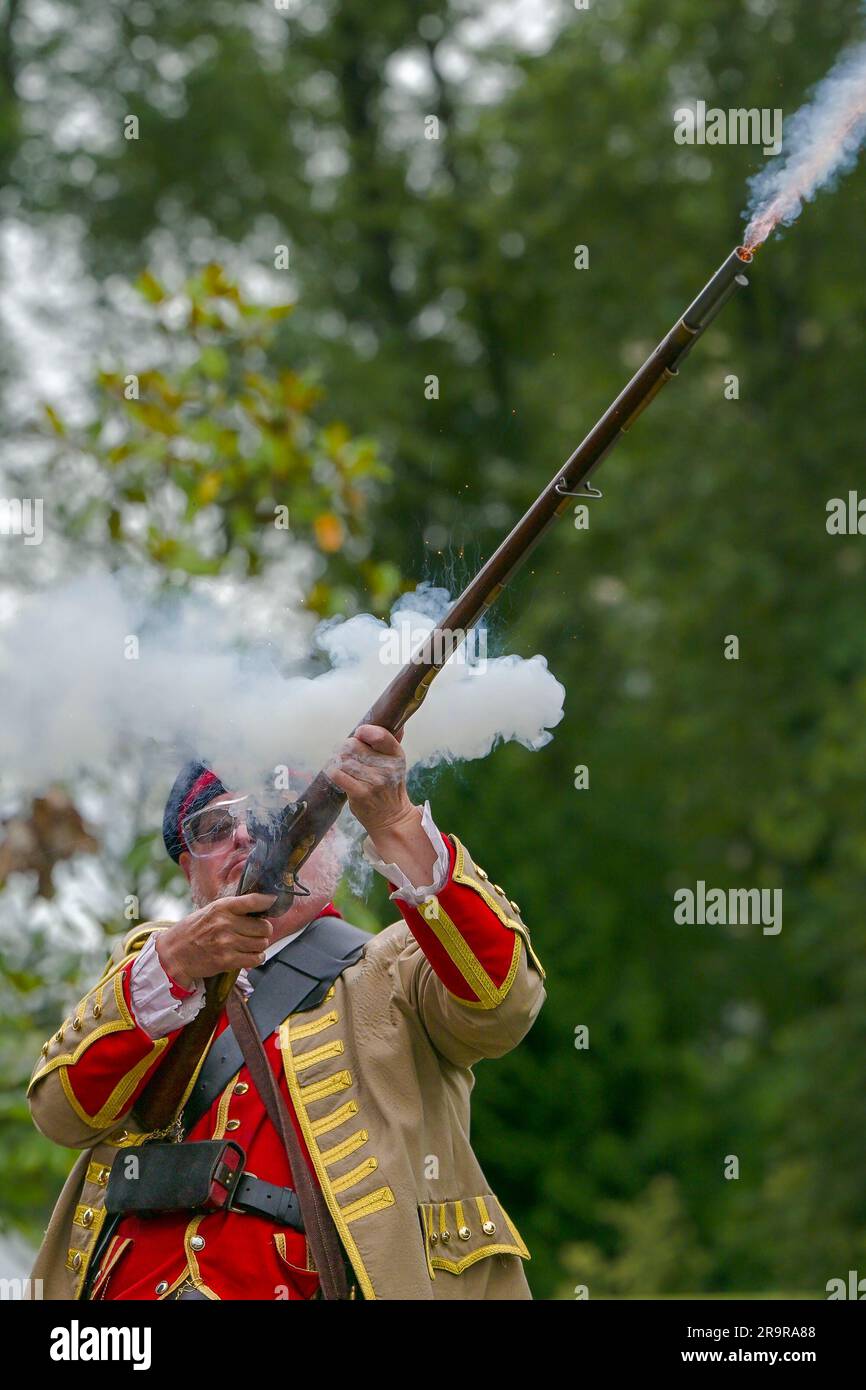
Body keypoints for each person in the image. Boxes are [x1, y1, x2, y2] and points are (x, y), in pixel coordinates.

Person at [27, 723, 546, 1300]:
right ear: (189, 871)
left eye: (276, 810)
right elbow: (61, 1114)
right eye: (215, 828)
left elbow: (505, 1007)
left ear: (333, 840)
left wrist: (398, 823)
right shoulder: (152, 973)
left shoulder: (402, 959)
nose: (246, 835)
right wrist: (173, 965)